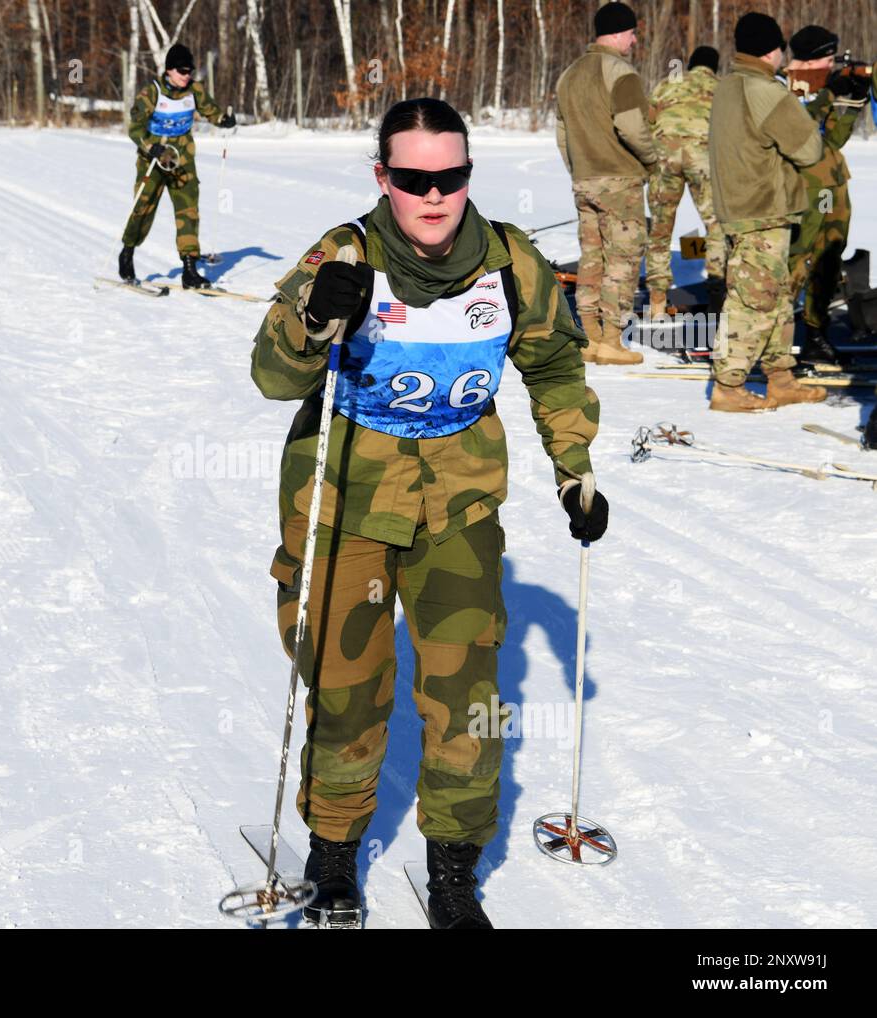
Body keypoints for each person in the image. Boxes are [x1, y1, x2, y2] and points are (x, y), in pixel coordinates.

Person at [250, 98, 606, 930]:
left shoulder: (509, 263)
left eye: (450, 177)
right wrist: (313, 321)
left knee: (466, 694)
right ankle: (333, 852)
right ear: (384, 178)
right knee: (346, 689)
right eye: (413, 179)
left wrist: (574, 472)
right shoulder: (344, 256)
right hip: (346, 500)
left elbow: (554, 364)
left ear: (468, 175)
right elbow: (272, 377)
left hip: (459, 502)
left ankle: (454, 866)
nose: (433, 195)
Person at [708, 12, 825, 411]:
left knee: (774, 297)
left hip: (740, 207)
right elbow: (809, 150)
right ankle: (728, 384)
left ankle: (780, 378)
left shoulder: (726, 86)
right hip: (763, 211)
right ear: (773, 51)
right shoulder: (767, 91)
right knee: (751, 300)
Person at [554, 2, 657, 365]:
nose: (633, 40)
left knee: (591, 257)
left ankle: (590, 338)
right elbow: (632, 126)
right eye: (631, 33)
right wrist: (652, 158)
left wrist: (578, 169)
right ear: (617, 33)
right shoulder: (620, 72)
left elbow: (562, 134)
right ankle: (612, 339)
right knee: (623, 259)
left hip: (584, 180)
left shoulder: (568, 75)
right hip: (620, 180)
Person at [784, 25, 869, 364]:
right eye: (828, 58)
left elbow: (832, 140)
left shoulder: (822, 88)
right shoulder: (781, 87)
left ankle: (816, 332)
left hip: (832, 185)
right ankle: (771, 331)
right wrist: (829, 95)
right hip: (803, 187)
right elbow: (795, 129)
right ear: (810, 59)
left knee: (828, 259)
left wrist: (852, 102)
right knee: (797, 258)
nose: (832, 65)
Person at [119, 43, 235, 290]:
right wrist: (151, 147)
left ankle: (189, 269)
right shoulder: (152, 93)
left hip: (182, 162)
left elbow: (211, 111)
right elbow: (135, 128)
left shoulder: (194, 91)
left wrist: (224, 120)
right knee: (143, 209)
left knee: (188, 212)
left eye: (190, 71)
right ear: (169, 70)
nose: (187, 76)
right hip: (153, 161)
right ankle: (127, 252)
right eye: (182, 71)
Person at [645, 46, 725, 318]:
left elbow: (648, 118)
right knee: (715, 224)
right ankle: (717, 291)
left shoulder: (669, 84)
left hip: (664, 155)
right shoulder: (720, 87)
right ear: (714, 67)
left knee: (659, 228)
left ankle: (656, 300)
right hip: (703, 157)